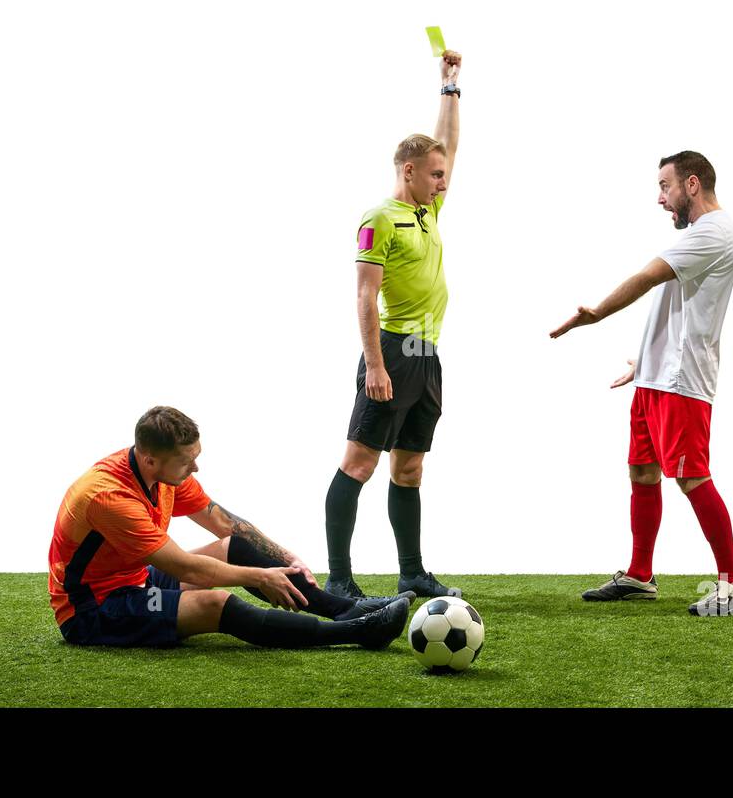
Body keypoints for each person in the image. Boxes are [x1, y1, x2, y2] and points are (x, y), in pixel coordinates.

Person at [550, 151, 733, 616]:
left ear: (692, 184)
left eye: (666, 186)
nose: (661, 199)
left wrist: (596, 313)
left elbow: (646, 277)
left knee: (692, 477)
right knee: (642, 470)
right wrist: (646, 359)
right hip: (656, 377)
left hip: (682, 381)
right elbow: (681, 307)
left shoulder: (715, 232)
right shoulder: (702, 236)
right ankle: (641, 575)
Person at [47, 406, 413, 649]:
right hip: (93, 608)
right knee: (214, 602)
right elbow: (184, 567)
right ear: (150, 459)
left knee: (232, 545)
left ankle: (345, 609)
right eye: (187, 462)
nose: (195, 470)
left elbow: (225, 523)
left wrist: (287, 558)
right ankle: (357, 632)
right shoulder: (109, 498)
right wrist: (258, 576)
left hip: (135, 580)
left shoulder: (162, 474)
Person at [322, 48, 464, 601]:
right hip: (392, 354)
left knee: (409, 470)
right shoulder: (380, 216)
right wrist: (376, 365)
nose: (443, 181)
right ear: (408, 172)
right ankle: (338, 579)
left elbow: (446, 146)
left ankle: (411, 573)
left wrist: (449, 88)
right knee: (358, 463)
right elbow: (363, 294)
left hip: (428, 357)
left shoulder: (427, 210)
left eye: (444, 176)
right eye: (434, 175)